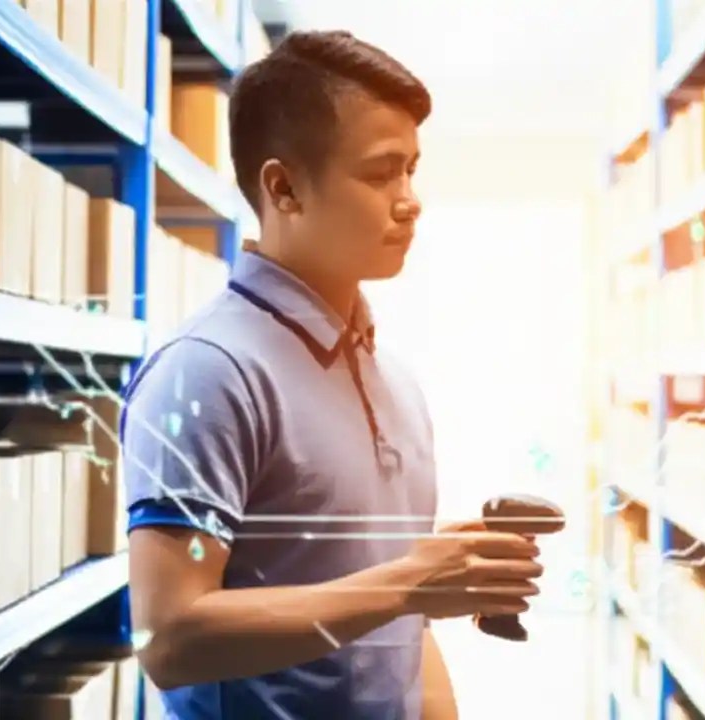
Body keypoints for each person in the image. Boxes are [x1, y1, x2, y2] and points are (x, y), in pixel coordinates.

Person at [119, 29, 545, 720]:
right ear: (284, 188)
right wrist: (410, 582)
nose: (410, 200)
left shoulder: (392, 380)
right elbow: (167, 639)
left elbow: (403, 628)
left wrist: (422, 589)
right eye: (381, 173)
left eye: (412, 169)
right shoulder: (209, 372)